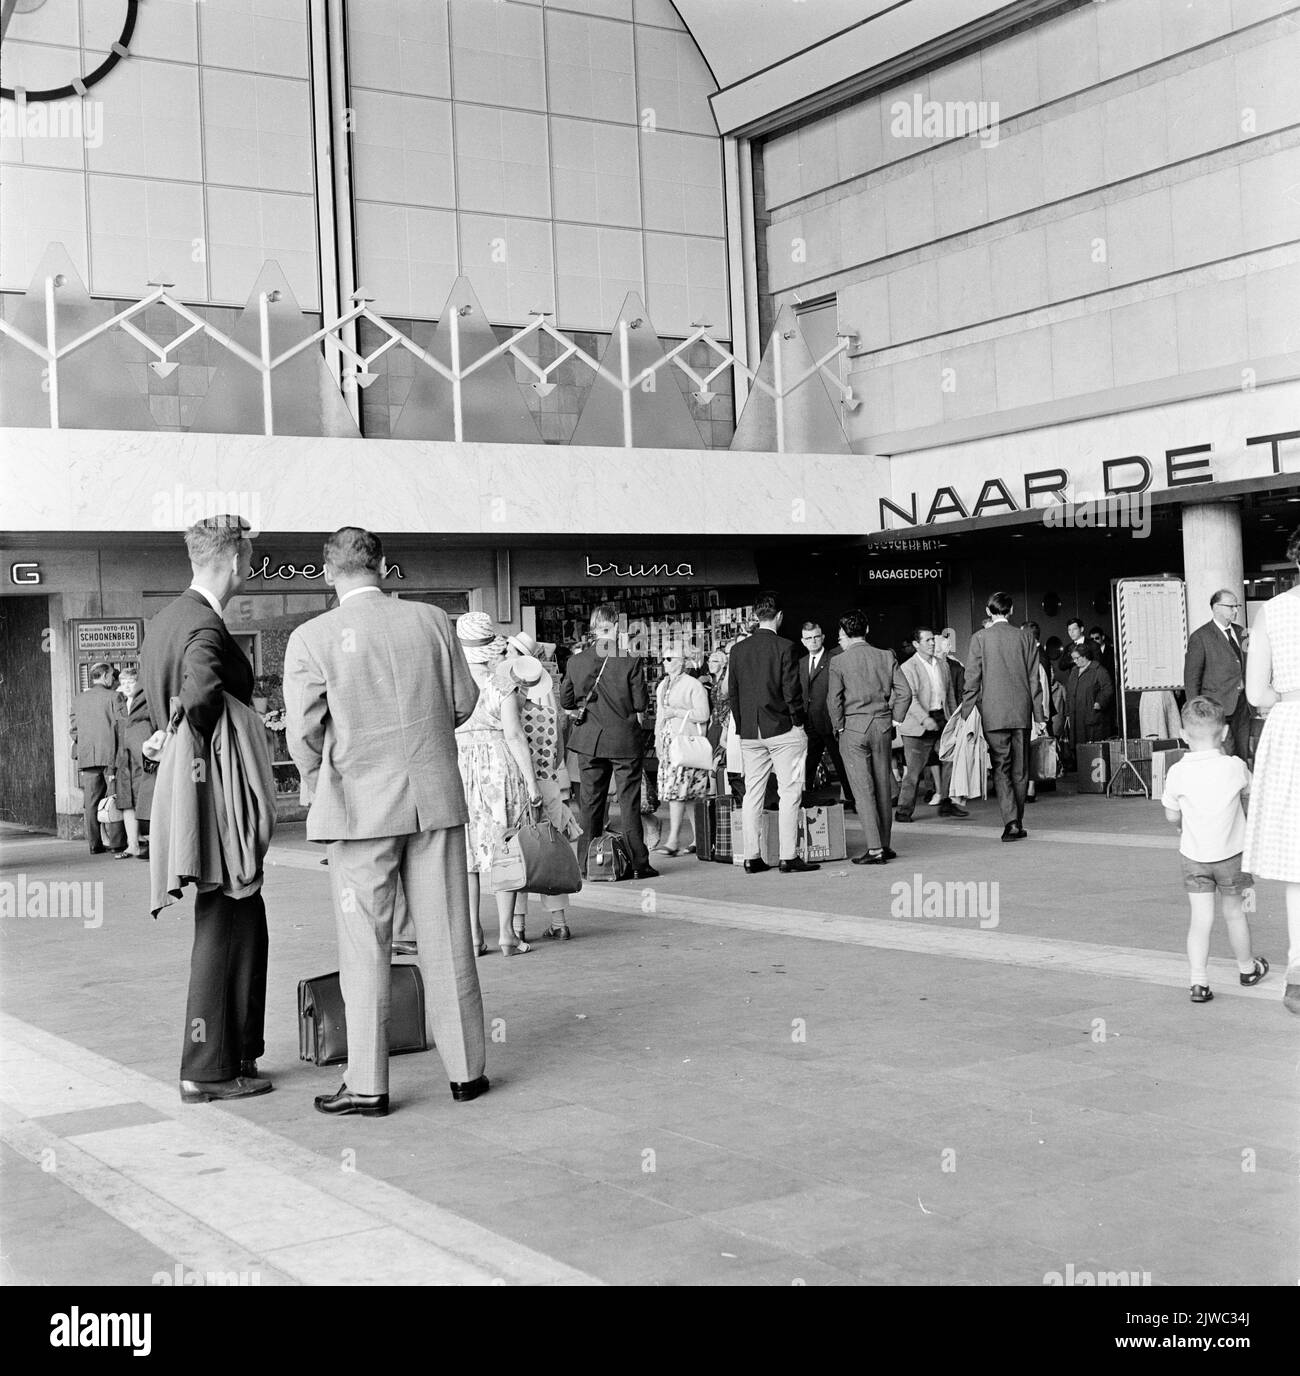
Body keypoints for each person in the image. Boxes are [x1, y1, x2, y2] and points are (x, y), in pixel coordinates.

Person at [284, 529, 489, 1117]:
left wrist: (320, 772)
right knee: (448, 936)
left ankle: (369, 1083)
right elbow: (463, 701)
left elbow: (304, 731)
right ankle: (467, 1071)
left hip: (359, 810)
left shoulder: (311, 638)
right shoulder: (431, 620)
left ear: (328, 573)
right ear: (383, 567)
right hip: (434, 800)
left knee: (365, 945)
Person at [140, 515, 273, 1104]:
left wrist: (165, 736)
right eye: (248, 560)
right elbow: (197, 695)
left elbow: (154, 703)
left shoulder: (166, 619)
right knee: (228, 921)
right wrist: (223, 729)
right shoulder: (205, 625)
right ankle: (209, 1066)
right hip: (218, 792)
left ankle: (227, 1057)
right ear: (235, 561)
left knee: (236, 920)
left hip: (193, 792)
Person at [1161, 697, 1268, 1005]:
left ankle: (1198, 982)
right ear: (1223, 734)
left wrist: (1181, 823)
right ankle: (1248, 969)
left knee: (1200, 919)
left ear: (1183, 734)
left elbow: (1171, 815)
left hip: (1194, 856)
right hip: (1232, 855)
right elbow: (1250, 796)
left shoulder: (1177, 772)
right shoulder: (1234, 767)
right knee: (1235, 914)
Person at [453, 611, 542, 954]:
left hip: (461, 768)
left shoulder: (449, 686)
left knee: (469, 855)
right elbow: (515, 735)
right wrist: (532, 785)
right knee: (505, 850)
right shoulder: (502, 685)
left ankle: (474, 935)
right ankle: (506, 933)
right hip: (499, 769)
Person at [1242, 525, 1300, 1015]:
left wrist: (1287, 697)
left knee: (1297, 865)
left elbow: (1256, 693)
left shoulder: (1272, 613)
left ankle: (1298, 973)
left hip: (1290, 730)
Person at [561, 604, 656, 880]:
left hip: (589, 740)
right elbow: (639, 703)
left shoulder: (576, 661)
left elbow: (566, 700)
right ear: (615, 627)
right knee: (629, 802)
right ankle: (638, 863)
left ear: (593, 629)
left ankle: (586, 864)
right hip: (623, 741)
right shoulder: (629, 660)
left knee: (590, 804)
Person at [727, 591, 819, 874]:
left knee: (752, 793)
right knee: (789, 791)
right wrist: (799, 721)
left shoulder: (738, 650)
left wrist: (743, 726)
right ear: (779, 616)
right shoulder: (786, 647)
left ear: (756, 616)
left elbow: (733, 693)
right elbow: (792, 690)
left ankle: (752, 857)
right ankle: (788, 856)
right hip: (781, 729)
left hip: (750, 733)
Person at [506, 631, 582, 943]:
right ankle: (560, 922)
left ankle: (518, 925)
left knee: (520, 852)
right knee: (551, 850)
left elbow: (511, 738)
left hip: (523, 782)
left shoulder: (510, 692)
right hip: (550, 781)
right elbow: (561, 740)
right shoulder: (547, 692)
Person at [828, 607, 912, 865]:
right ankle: (885, 845)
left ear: (844, 633)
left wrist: (839, 726)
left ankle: (874, 849)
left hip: (853, 729)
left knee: (862, 790)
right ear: (866, 630)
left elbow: (834, 700)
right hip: (882, 726)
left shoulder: (839, 661)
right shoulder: (886, 656)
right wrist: (895, 719)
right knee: (883, 786)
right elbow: (905, 692)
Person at [961, 590, 1044, 843]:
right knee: (1021, 770)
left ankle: (1010, 822)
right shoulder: (1025, 637)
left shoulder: (979, 638)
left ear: (988, 611)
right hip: (1021, 713)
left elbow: (972, 678)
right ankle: (1017, 821)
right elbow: (1034, 680)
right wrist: (1039, 715)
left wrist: (966, 711)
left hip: (993, 713)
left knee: (1001, 767)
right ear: (1011, 611)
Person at [896, 626, 966, 822]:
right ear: (916, 644)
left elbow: (950, 695)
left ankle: (946, 803)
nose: (932, 643)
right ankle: (903, 810)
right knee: (914, 770)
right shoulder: (908, 668)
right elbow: (910, 698)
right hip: (918, 724)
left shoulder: (942, 665)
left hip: (941, 717)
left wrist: (954, 719)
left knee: (950, 760)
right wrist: (925, 719)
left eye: (933, 640)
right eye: (927, 640)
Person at [653, 644, 711, 856]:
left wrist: (676, 712)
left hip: (686, 745)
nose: (665, 662)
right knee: (686, 795)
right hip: (669, 745)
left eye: (669, 658)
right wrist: (657, 741)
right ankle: (699, 839)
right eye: (664, 659)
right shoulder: (662, 686)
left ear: (681, 661)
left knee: (678, 793)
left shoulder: (693, 685)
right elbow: (660, 715)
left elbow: (703, 714)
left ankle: (673, 840)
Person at [1184, 590, 1250, 760]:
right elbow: (1192, 679)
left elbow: (1248, 664)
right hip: (1217, 708)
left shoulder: (1242, 633)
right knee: (1225, 755)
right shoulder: (1200, 637)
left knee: (1242, 755)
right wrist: (1196, 712)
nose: (1236, 610)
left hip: (1242, 707)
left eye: (1237, 606)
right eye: (1231, 606)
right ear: (1216, 608)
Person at [799, 621, 855, 812]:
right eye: (808, 638)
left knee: (841, 763)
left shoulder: (835, 659)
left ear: (822, 638)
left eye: (816, 637)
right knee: (807, 764)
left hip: (831, 722)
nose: (813, 641)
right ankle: (801, 800)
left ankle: (853, 799)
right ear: (803, 641)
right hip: (810, 724)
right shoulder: (800, 663)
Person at [72, 662, 121, 854]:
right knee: (115, 798)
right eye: (111, 675)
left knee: (91, 802)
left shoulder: (78, 699)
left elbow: (74, 730)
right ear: (105, 676)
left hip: (88, 756)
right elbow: (121, 726)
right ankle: (117, 842)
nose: (113, 679)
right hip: (111, 755)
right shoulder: (114, 696)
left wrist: (85, 742)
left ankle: (94, 843)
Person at [111, 667, 154, 859]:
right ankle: (133, 844)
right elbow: (113, 735)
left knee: (147, 800)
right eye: (123, 682)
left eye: (131, 682)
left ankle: (154, 843)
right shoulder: (118, 705)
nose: (126, 686)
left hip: (141, 760)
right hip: (123, 760)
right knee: (126, 803)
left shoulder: (147, 705)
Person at [1064, 640, 1115, 747]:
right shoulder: (1074, 671)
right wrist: (1067, 713)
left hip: (1091, 716)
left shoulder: (1098, 670)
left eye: (1077, 658)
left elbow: (1108, 689)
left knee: (1091, 749)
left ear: (1085, 656)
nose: (1075, 661)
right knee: (1077, 748)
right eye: (1073, 659)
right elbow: (1069, 693)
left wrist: (1099, 702)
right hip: (1075, 717)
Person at [1055, 618, 1087, 686]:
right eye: (1069, 630)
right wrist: (1072, 659)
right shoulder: (1068, 647)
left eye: (1074, 629)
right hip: (1074, 685)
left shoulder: (1092, 645)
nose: (1071, 632)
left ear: (1081, 629)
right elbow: (1061, 666)